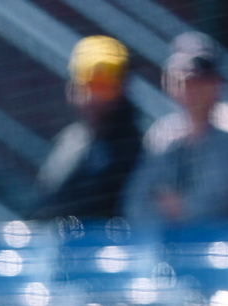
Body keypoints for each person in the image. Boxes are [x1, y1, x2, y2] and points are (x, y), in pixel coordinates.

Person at [121, 33, 228, 229]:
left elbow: (209, 209)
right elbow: (135, 206)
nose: (189, 87)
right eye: (180, 78)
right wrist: (171, 210)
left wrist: (171, 205)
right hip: (173, 249)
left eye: (198, 79)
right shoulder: (162, 134)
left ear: (217, 83)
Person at [32, 36, 144, 223]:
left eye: (104, 87)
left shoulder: (139, 148)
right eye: (88, 84)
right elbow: (47, 206)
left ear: (122, 88)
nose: (93, 97)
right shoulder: (70, 140)